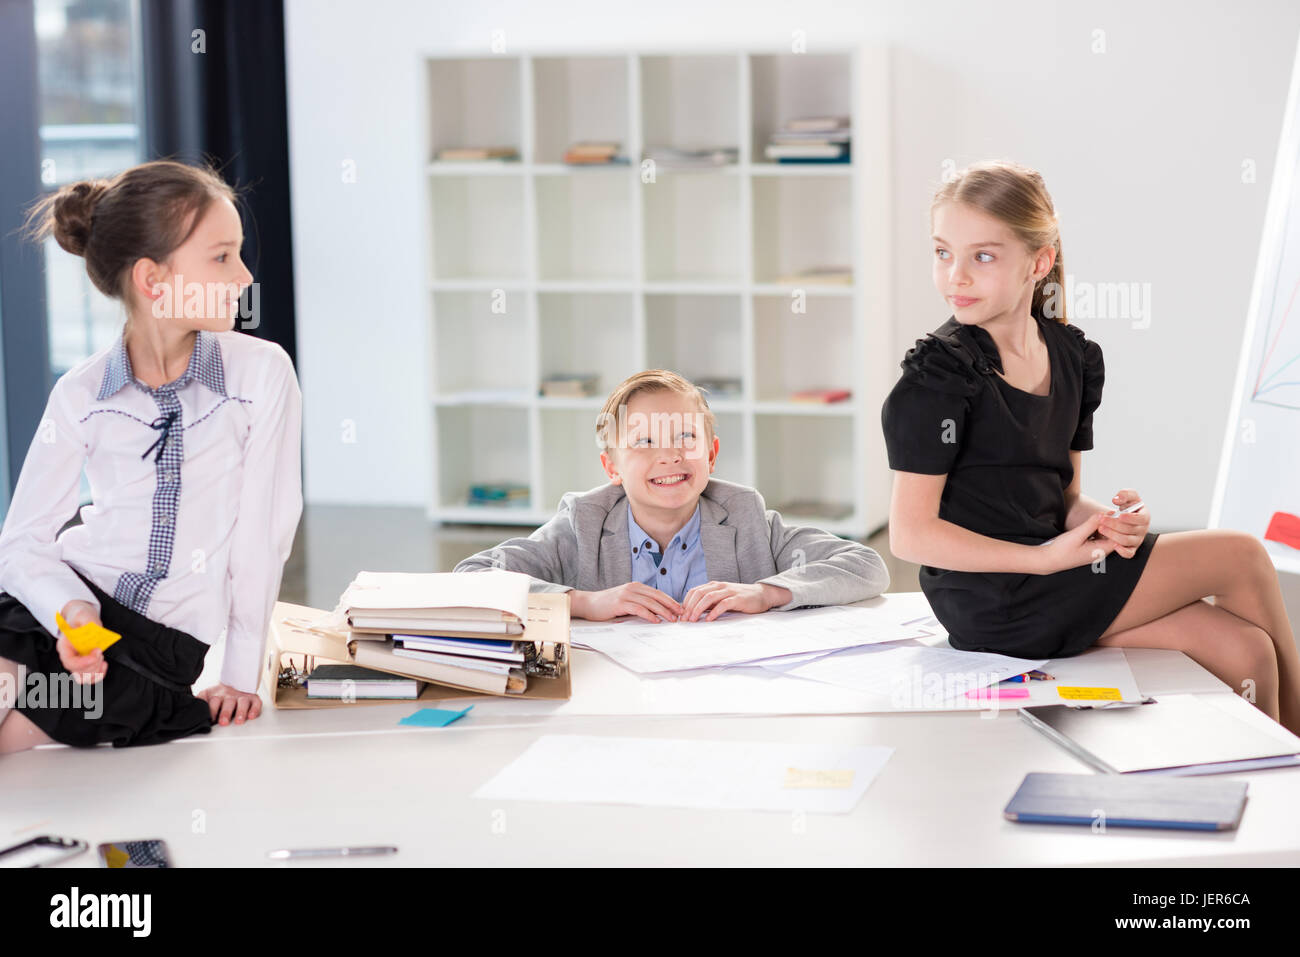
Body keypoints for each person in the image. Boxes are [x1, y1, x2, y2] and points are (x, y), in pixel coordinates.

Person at [882, 159, 1300, 732]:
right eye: (941, 252)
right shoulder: (937, 376)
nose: (955, 276)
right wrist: (1042, 558)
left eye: (982, 256)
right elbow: (910, 535)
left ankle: (1279, 787)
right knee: (1244, 555)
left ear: (1039, 261)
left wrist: (1110, 520)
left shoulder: (1073, 357)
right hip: (995, 602)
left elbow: (1064, 497)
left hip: (1057, 578)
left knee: (1247, 652)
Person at [0, 160, 302, 752]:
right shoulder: (82, 393)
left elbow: (262, 538)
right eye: (221, 257)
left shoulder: (262, 376)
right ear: (152, 279)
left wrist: (240, 675)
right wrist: (72, 614)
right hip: (63, 611)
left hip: (152, 655)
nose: (243, 276)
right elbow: (24, 543)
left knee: (15, 741)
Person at [456, 369, 889, 622]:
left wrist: (766, 592)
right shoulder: (582, 525)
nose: (669, 456)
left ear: (712, 454)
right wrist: (584, 602)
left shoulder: (745, 517)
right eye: (644, 443)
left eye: (685, 436)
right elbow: (472, 577)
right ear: (612, 468)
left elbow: (866, 566)